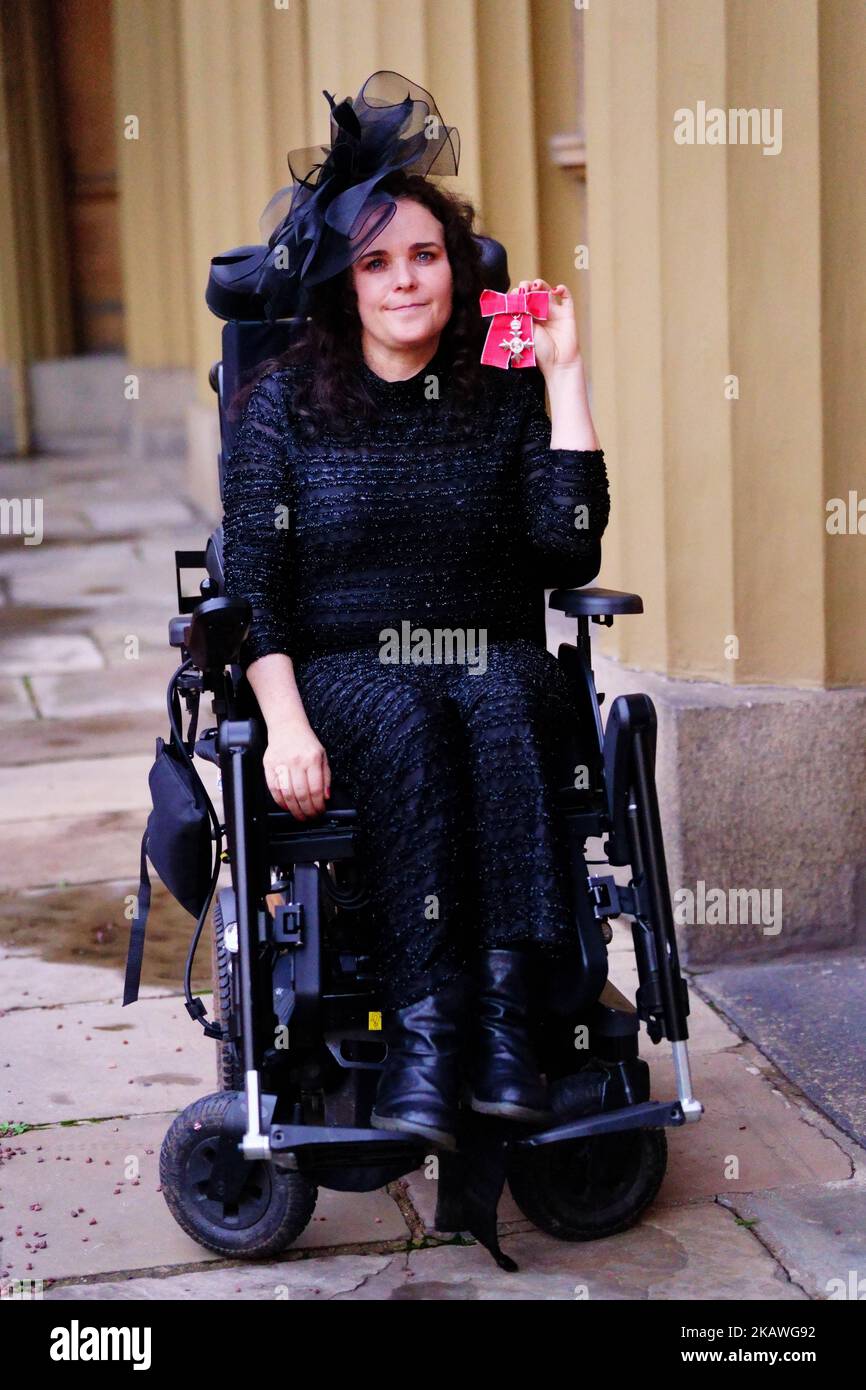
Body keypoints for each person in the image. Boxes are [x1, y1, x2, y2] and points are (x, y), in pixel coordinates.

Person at [221, 73, 609, 1152]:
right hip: (344, 666)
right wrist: (284, 723)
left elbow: (566, 545)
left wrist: (565, 376)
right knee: (402, 711)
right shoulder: (284, 408)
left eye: (426, 256)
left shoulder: (499, 386)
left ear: (457, 270)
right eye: (378, 262)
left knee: (492, 691)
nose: (404, 281)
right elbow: (255, 589)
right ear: (345, 284)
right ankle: (426, 1038)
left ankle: (499, 1026)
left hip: (487, 651)